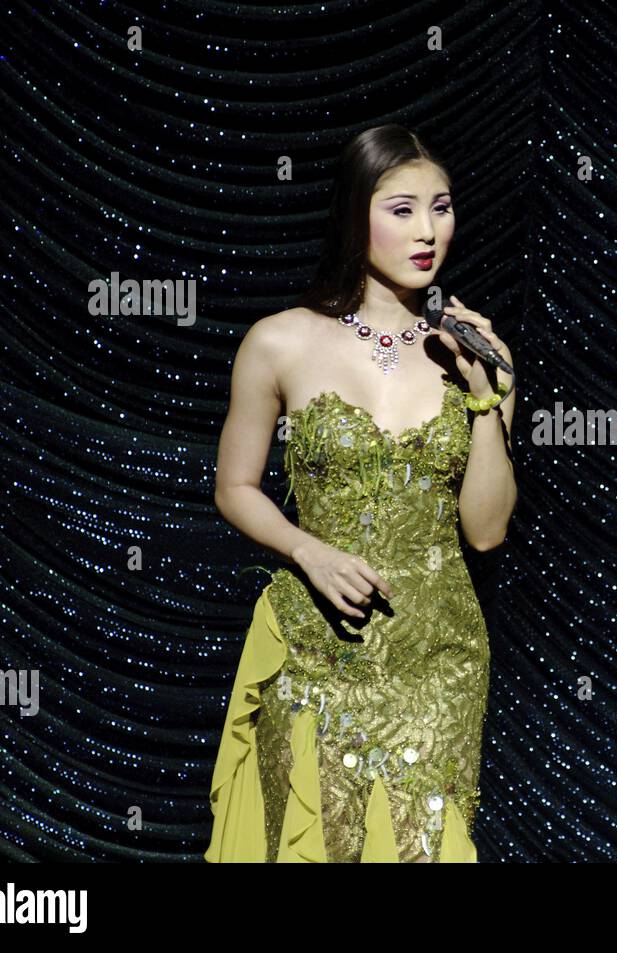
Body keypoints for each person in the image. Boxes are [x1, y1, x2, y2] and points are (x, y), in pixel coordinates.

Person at [204, 125, 516, 862]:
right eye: (402, 209)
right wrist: (307, 550)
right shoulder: (280, 341)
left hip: (436, 662)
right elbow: (234, 486)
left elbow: (488, 531)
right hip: (317, 650)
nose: (428, 230)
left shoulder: (480, 355)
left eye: (441, 208)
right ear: (355, 215)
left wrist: (484, 397)